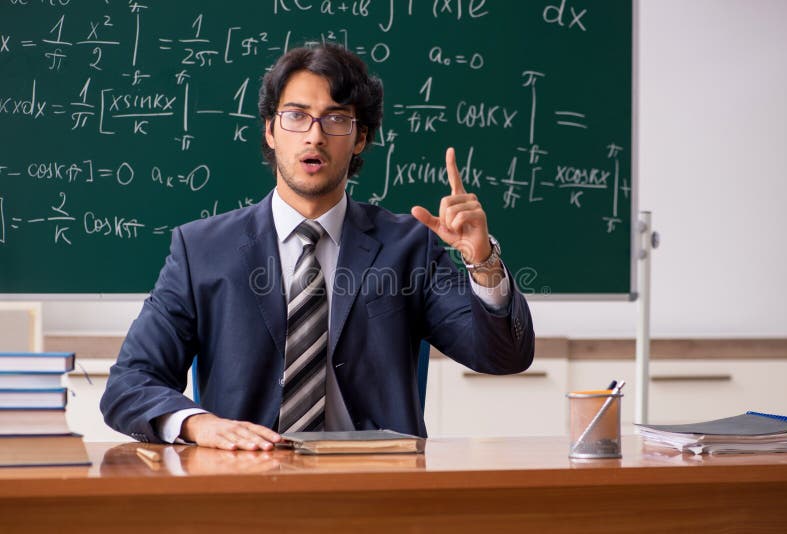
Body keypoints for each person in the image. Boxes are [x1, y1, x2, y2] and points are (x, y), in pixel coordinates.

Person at [100, 44, 535, 450]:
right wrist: (201, 425)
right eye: (296, 116)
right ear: (270, 131)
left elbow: (504, 357)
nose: (314, 136)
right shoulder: (201, 250)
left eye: (335, 119)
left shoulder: (407, 246)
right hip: (244, 485)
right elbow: (129, 385)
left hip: (375, 489)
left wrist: (483, 262)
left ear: (360, 137)